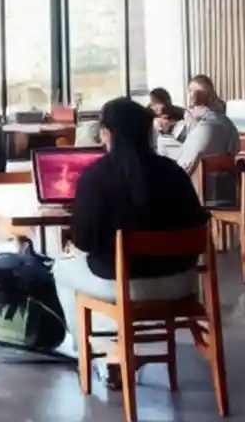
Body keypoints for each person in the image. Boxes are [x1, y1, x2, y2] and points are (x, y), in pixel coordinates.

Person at [53, 98, 208, 345]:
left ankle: (90, 352)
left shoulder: (94, 177)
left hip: (122, 285)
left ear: (106, 134)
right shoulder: (174, 173)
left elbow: (84, 241)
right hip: (181, 281)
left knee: (60, 268)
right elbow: (197, 222)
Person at [175, 85, 241, 198]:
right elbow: (237, 148)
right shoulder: (228, 123)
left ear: (194, 105)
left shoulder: (205, 128)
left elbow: (183, 170)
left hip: (200, 198)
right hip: (227, 194)